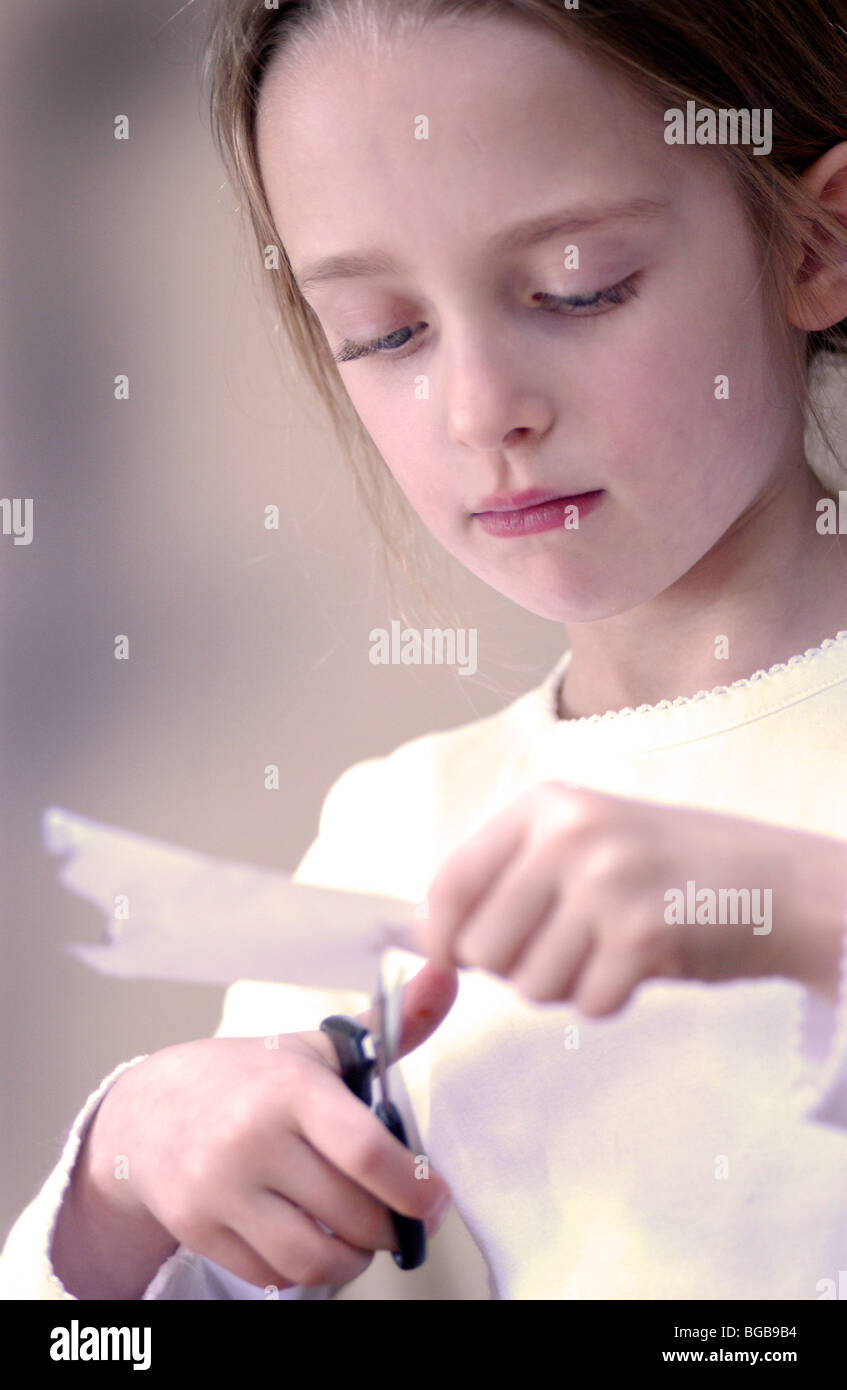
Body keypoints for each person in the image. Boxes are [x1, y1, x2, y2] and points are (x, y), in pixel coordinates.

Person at [3, 0, 847, 1301]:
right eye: (387, 334)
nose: (478, 409)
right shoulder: (388, 835)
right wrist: (120, 1181)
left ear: (820, 241)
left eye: (579, 285)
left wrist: (806, 915)